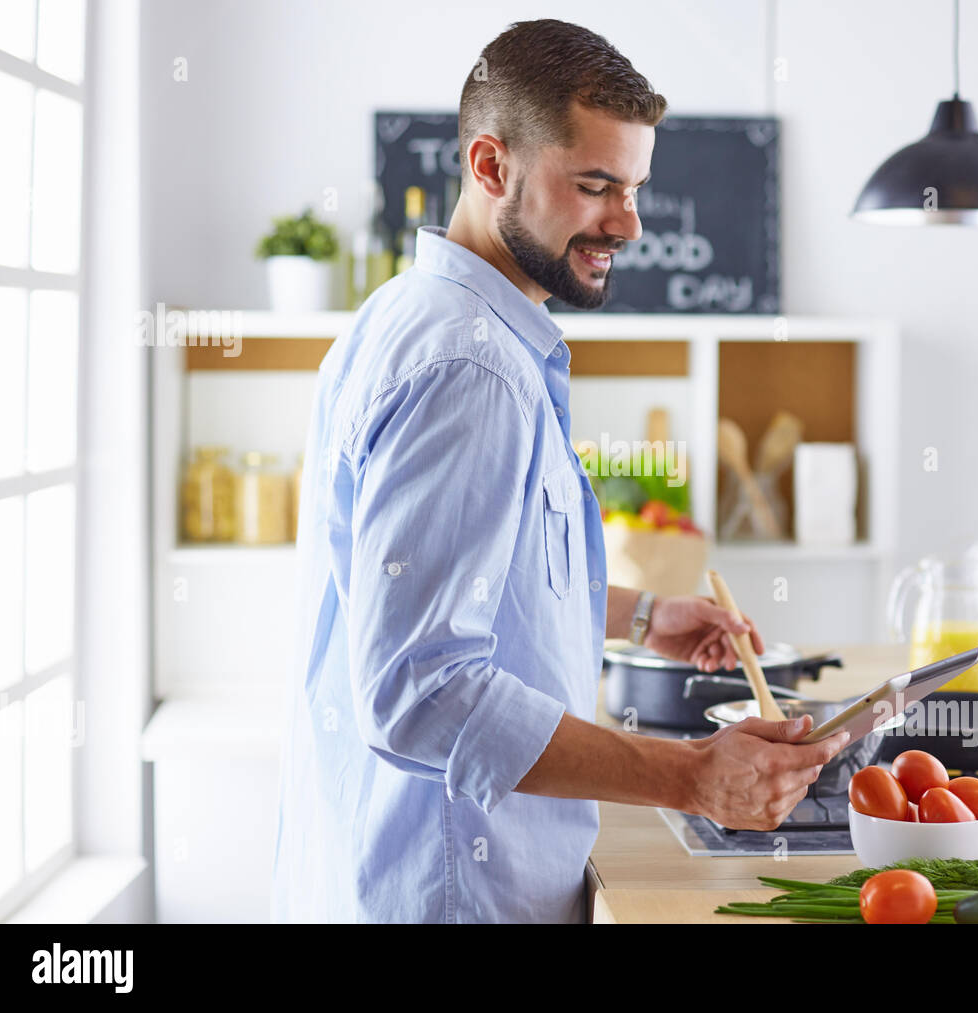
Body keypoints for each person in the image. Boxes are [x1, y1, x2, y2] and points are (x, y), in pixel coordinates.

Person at [271, 17, 851, 924]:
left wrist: (642, 614)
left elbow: (467, 579)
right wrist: (695, 777)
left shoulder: (406, 315)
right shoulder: (469, 367)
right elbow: (421, 690)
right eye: (596, 186)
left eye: (635, 187)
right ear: (491, 165)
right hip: (456, 890)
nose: (629, 222)